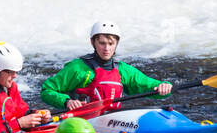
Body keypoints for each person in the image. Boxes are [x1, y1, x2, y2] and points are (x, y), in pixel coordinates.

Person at [40, 20, 172, 115]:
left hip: (113, 120)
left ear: (116, 44)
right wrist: (66, 101)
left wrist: (164, 86)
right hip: (82, 121)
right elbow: (47, 90)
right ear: (93, 42)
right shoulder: (78, 68)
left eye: (111, 43)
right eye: (102, 43)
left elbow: (150, 86)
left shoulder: (123, 70)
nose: (106, 48)